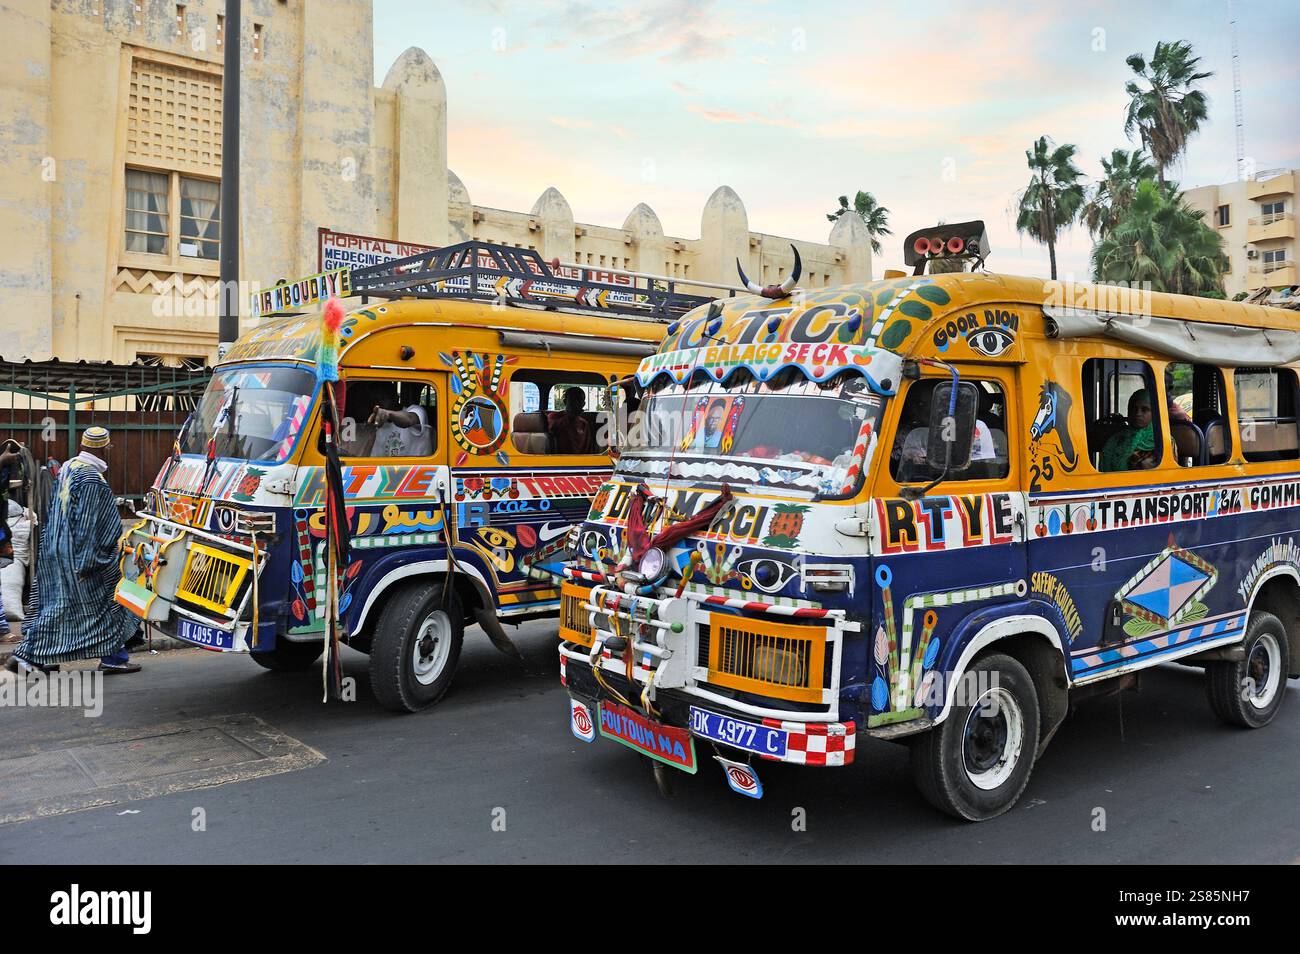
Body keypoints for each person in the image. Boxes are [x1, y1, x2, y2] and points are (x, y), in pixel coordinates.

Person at [8, 427, 142, 674]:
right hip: (81, 556)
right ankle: (29, 657)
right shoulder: (90, 477)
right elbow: (87, 523)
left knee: (79, 605)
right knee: (76, 606)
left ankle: (113, 656)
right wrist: (88, 561)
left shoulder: (70, 467)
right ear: (104, 447)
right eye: (109, 446)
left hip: (58, 549)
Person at [1100, 388, 1157, 472]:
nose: (1138, 413)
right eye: (1134, 409)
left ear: (1155, 413)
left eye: (1144, 409)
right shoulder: (1117, 439)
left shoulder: (1163, 440)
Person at [367, 384, 432, 457]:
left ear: (396, 398)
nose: (379, 404)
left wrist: (388, 413)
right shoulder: (380, 426)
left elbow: (409, 420)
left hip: (421, 467)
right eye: (376, 400)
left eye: (383, 398)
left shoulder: (417, 410)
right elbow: (376, 458)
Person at [548, 387, 594, 454]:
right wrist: (570, 417)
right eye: (572, 400)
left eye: (579, 401)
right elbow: (551, 431)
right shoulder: (554, 417)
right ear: (565, 402)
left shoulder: (584, 424)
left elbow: (589, 450)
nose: (576, 404)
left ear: (583, 404)